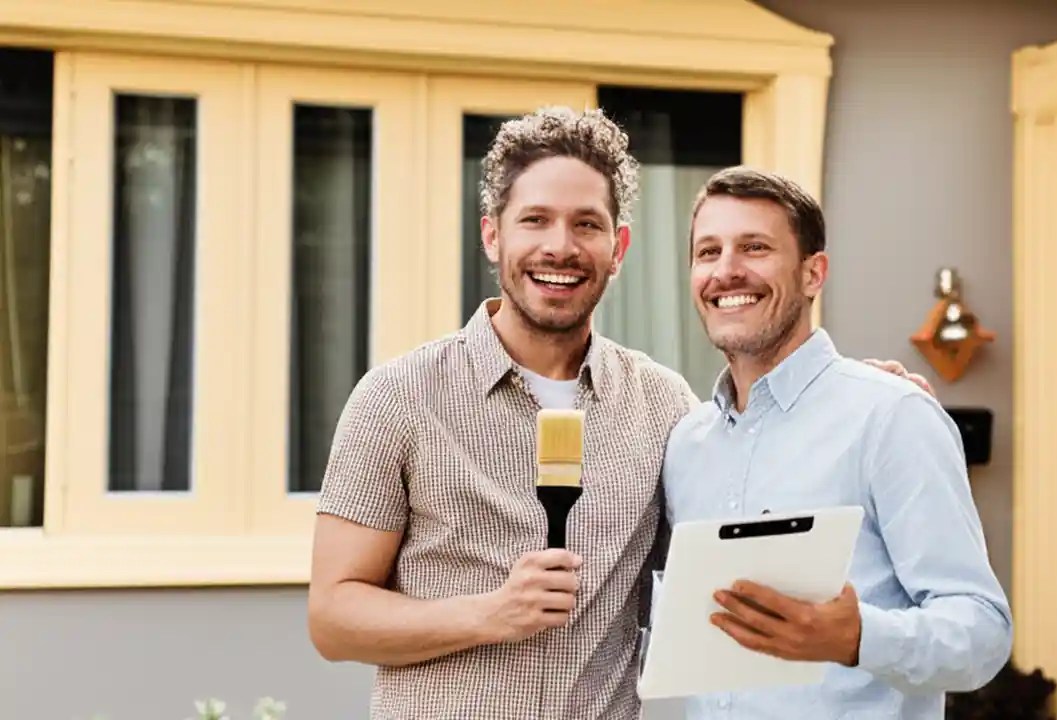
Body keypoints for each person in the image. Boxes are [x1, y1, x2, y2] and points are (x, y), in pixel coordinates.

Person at [307, 106, 930, 719]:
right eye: (535, 220)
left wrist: (845, 392)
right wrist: (488, 613)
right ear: (493, 235)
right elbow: (333, 619)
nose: (560, 247)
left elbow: (749, 465)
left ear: (618, 246)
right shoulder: (397, 397)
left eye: (586, 224)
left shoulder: (663, 407)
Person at [661, 166, 1012, 719]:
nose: (727, 271)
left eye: (754, 247)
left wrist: (857, 638)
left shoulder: (891, 417)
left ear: (812, 274)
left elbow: (983, 631)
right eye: (708, 252)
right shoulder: (686, 445)